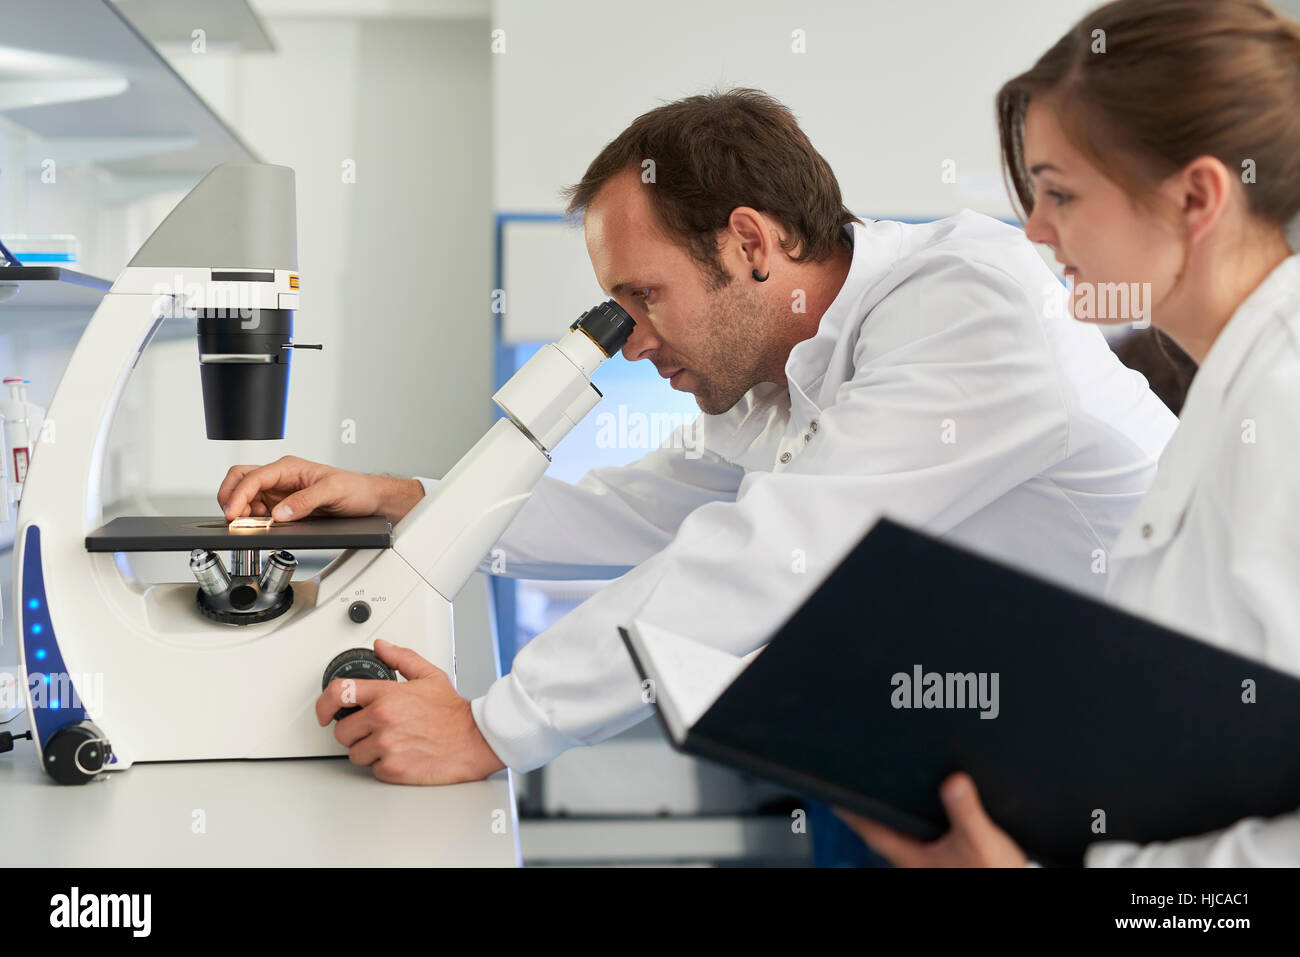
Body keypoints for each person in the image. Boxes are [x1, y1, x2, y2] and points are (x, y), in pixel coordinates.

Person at [218, 92, 1176, 829]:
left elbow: (769, 550)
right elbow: (633, 511)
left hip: (1156, 770)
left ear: (750, 243)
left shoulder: (964, 301)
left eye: (645, 296)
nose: (630, 340)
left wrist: (490, 726)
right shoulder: (785, 373)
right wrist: (408, 502)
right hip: (986, 755)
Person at [837, 0, 1300, 867]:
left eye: (1060, 191)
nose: (1038, 230)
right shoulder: (1227, 392)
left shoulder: (1284, 402)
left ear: (1198, 195)